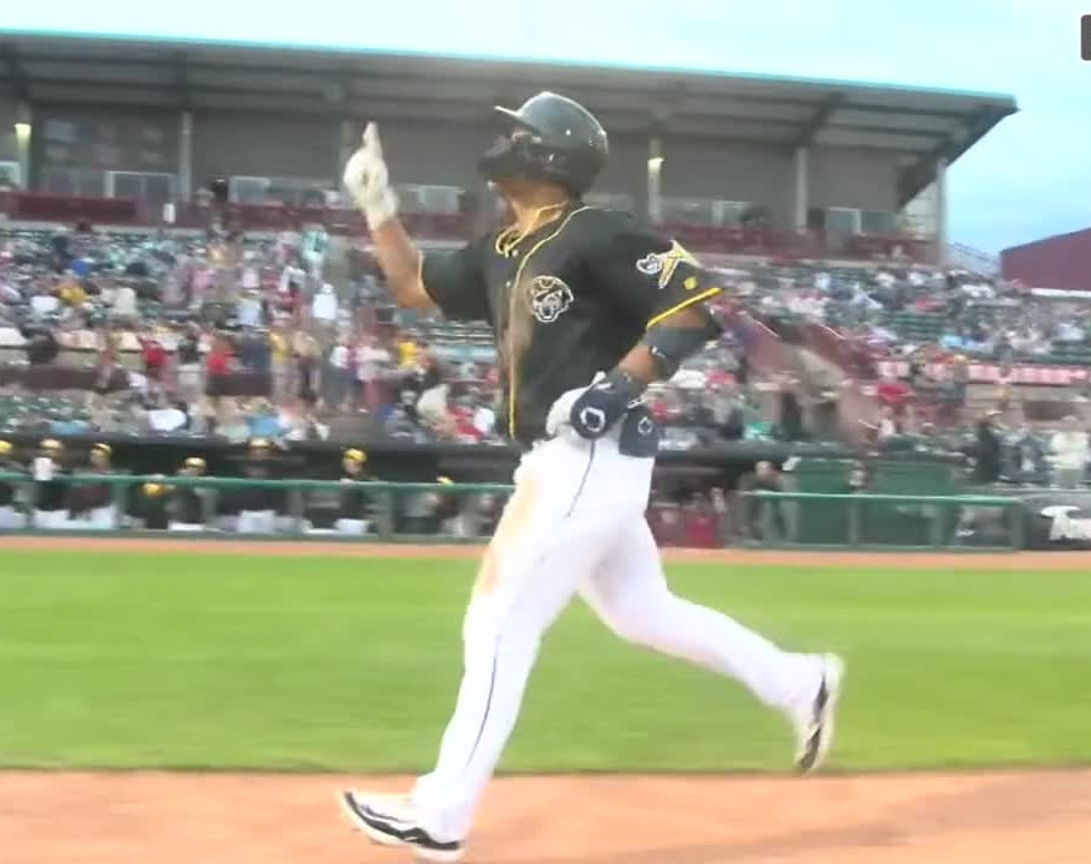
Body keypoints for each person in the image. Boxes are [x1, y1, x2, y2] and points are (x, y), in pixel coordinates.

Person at [335, 92, 843, 862]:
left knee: (497, 626)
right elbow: (413, 288)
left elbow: (693, 307)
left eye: (519, 133)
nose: (503, 139)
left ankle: (439, 816)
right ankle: (800, 682)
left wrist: (618, 384)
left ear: (546, 154)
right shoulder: (500, 247)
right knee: (642, 612)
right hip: (571, 461)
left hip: (585, 455)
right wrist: (379, 208)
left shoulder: (598, 230)